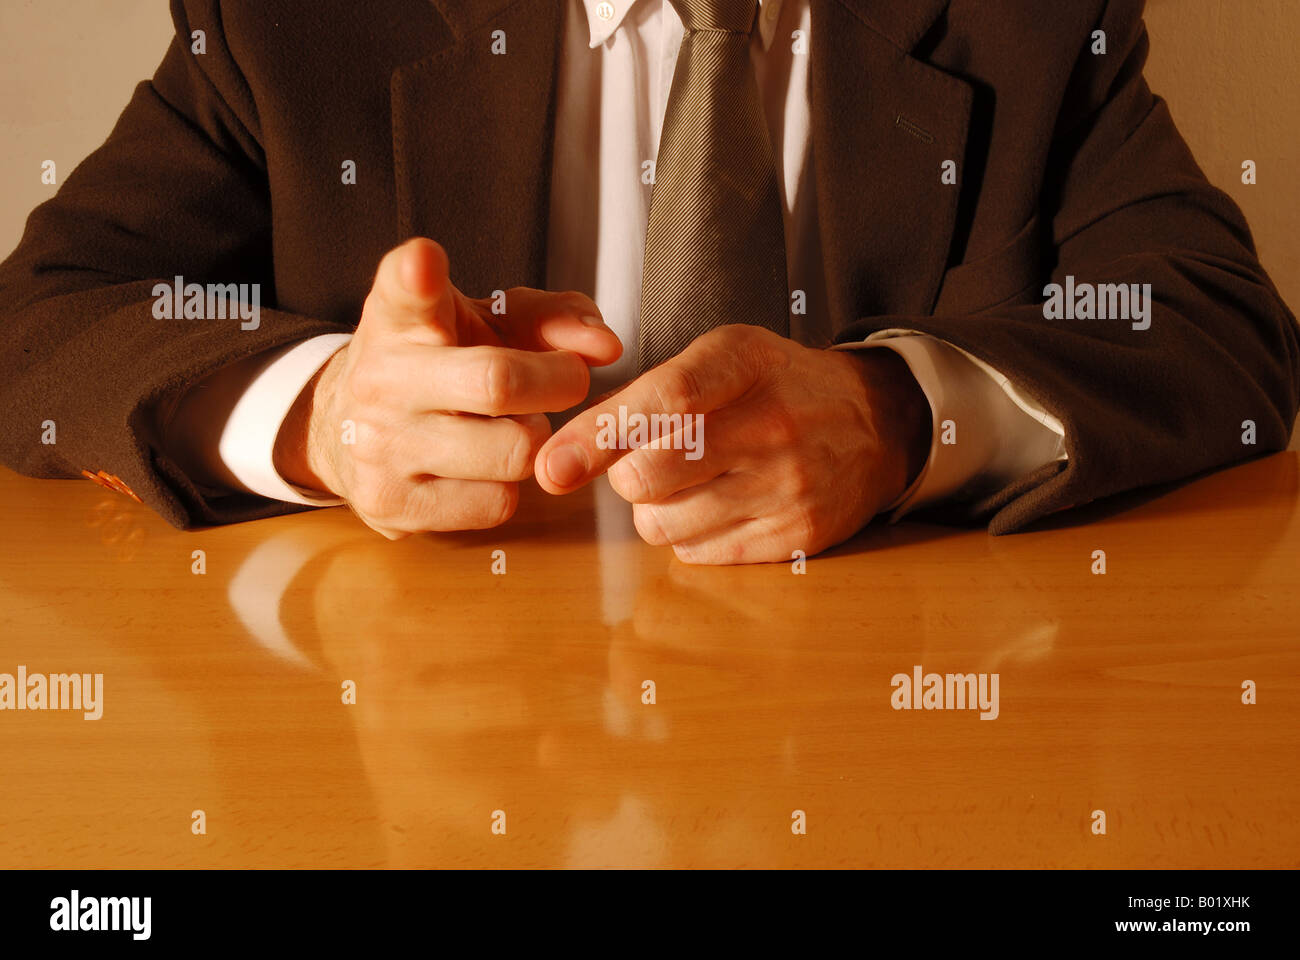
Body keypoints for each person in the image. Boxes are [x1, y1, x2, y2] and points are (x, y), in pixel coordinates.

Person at [1, 0, 1295, 564]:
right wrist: (324, 414)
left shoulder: (1029, 14)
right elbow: (42, 317)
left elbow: (1215, 322)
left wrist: (903, 415)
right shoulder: (300, 14)